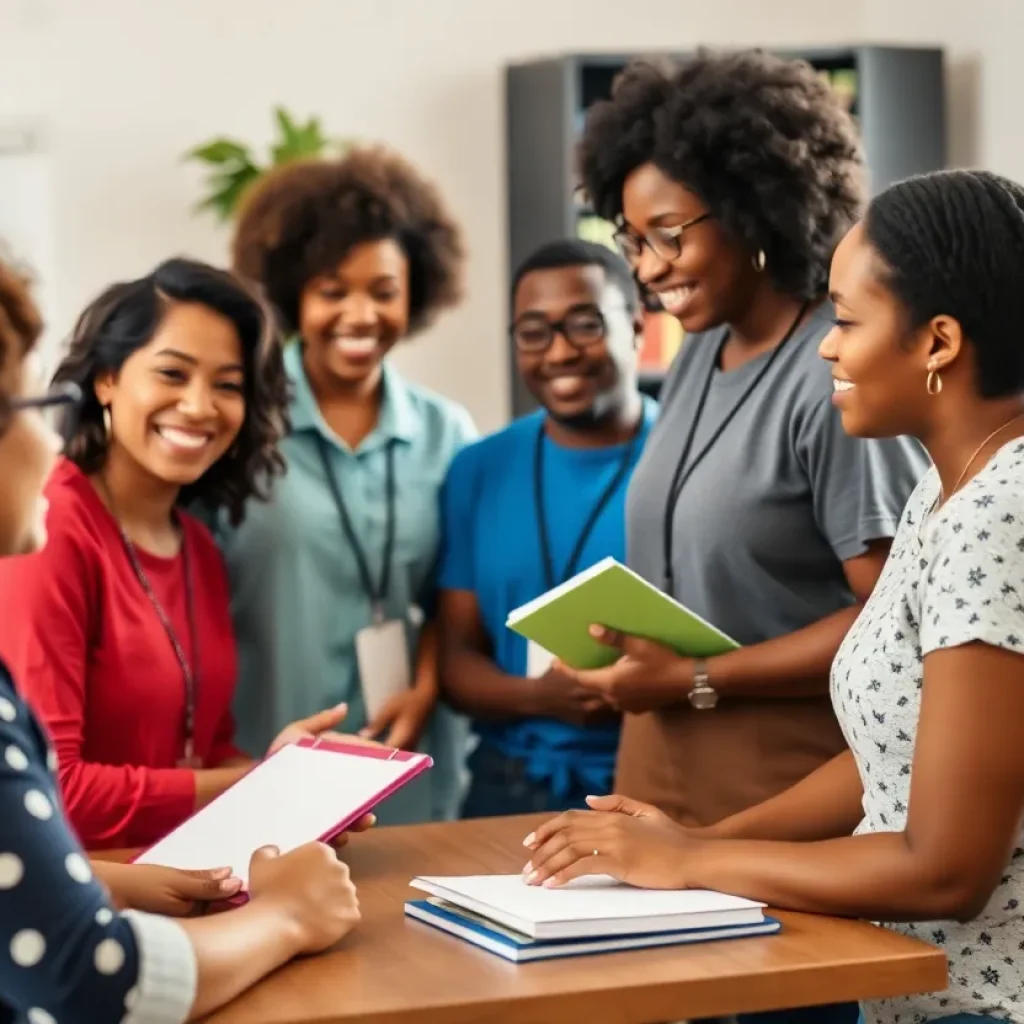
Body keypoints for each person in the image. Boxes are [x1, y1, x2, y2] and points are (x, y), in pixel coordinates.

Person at [522, 168, 1024, 1024]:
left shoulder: (1000, 510)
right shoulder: (941, 496)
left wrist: (689, 865)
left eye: (849, 322)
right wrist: (702, 841)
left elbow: (947, 869)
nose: (827, 346)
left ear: (937, 342)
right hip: (912, 995)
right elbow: (888, 759)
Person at [563, 50, 930, 830]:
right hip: (657, 764)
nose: (650, 270)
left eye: (669, 235)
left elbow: (893, 617)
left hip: (784, 781)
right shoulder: (701, 347)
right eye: (632, 241)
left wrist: (697, 676)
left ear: (756, 210)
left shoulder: (836, 373)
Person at [0, 251, 362, 1024]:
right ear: (104, 380)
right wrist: (255, 782)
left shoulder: (195, 543)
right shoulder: (54, 529)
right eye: (172, 373)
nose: (200, 405)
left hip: (188, 909)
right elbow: (60, 789)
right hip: (110, 922)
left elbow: (200, 748)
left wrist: (295, 789)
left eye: (228, 384)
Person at [224, 146, 476, 824]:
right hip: (264, 760)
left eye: (383, 291)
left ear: (415, 292)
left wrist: (426, 686)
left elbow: (452, 598)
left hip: (406, 761)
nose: (360, 316)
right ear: (293, 296)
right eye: (333, 291)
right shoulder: (238, 425)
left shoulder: (446, 431)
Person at [438, 239, 657, 817]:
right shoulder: (477, 469)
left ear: (636, 327)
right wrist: (542, 697)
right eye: (533, 332)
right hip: (505, 783)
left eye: (584, 325)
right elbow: (456, 658)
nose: (559, 352)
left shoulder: (686, 460)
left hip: (654, 780)